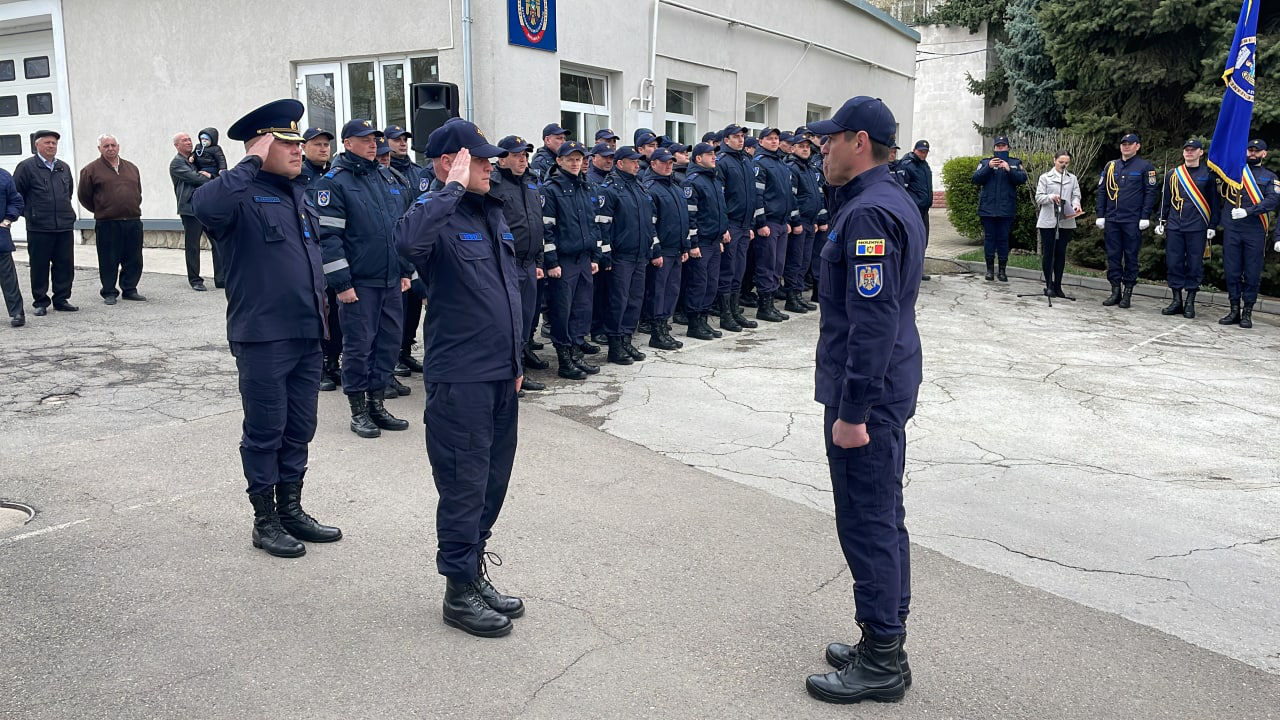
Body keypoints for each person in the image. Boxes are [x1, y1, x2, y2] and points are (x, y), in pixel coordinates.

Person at [806, 95, 924, 705]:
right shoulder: (887, 197)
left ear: (857, 142)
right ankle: (884, 643)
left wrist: (852, 413)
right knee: (883, 516)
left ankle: (882, 657)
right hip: (886, 385)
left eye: (830, 139)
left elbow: (870, 325)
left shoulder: (869, 214)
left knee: (868, 520)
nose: (822, 148)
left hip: (869, 398)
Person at [190, 98, 342, 558]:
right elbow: (205, 206)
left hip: (306, 332)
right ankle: (265, 519)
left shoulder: (298, 193)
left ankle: (292, 508)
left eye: (300, 143)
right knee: (266, 429)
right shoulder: (236, 193)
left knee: (300, 427)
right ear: (261, 145)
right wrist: (252, 157)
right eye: (287, 143)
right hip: (263, 335)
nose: (299, 151)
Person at [395, 120, 524, 639]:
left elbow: (509, 297)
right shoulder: (436, 213)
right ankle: (457, 592)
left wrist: (516, 364)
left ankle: (473, 572)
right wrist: (448, 189)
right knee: (464, 485)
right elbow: (405, 243)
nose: (492, 167)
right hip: (461, 379)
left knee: (493, 481)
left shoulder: (491, 213)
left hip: (499, 375)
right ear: (451, 162)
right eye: (482, 160)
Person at [310, 119, 413, 438]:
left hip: (390, 280)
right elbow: (328, 238)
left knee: (387, 344)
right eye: (364, 139)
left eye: (375, 138)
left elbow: (400, 228)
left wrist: (405, 270)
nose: (372, 143)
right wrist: (342, 284)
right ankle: (358, 411)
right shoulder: (335, 182)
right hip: (359, 284)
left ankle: (377, 404)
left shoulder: (385, 177)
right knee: (358, 347)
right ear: (347, 143)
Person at [488, 135, 548, 390]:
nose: (523, 159)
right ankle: (504, 375)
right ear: (502, 159)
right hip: (506, 263)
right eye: (517, 155)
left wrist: (540, 260)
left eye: (525, 154)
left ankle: (519, 371)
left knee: (525, 319)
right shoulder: (493, 184)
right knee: (506, 322)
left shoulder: (532, 182)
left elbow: (538, 223)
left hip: (529, 262)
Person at [542, 140, 604, 379]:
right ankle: (564, 359)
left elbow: (594, 225)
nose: (576, 163)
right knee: (562, 311)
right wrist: (552, 262)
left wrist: (595, 256)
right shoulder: (551, 189)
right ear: (559, 161)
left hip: (584, 258)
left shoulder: (586, 187)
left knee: (582, 309)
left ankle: (577, 353)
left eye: (579, 159)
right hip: (564, 262)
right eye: (570, 159)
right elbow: (546, 229)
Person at [598, 145, 660, 358]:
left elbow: (650, 222)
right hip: (621, 256)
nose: (637, 164)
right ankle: (615, 344)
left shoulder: (640, 187)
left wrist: (652, 247)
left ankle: (626, 339)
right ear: (620, 163)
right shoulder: (610, 189)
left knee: (635, 300)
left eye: (638, 161)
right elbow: (603, 225)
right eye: (632, 161)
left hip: (640, 254)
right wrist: (606, 255)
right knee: (619, 300)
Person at [13, 129, 77, 315]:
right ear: (37, 145)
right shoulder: (26, 167)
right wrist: (31, 214)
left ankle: (61, 298)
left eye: (54, 143)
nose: (51, 146)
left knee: (64, 264)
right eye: (47, 142)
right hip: (39, 227)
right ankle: (40, 302)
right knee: (40, 265)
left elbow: (69, 192)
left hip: (63, 225)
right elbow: (17, 195)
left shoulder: (63, 167)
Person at [78, 134, 145, 305]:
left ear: (118, 146)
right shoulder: (90, 170)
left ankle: (130, 289)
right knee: (109, 259)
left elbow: (138, 192)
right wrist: (103, 209)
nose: (110, 148)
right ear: (99, 148)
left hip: (132, 220)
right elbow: (84, 196)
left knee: (134, 258)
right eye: (106, 145)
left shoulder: (131, 168)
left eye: (113, 145)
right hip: (107, 222)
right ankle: (109, 291)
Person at [1218, 138, 1279, 329]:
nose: (1252, 153)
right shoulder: (1234, 173)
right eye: (1249, 150)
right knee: (1232, 271)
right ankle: (1234, 309)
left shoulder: (1270, 177)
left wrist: (1249, 211)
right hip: (1233, 230)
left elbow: (1272, 200)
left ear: (1264, 154)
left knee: (1252, 272)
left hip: (1254, 230)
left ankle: (1248, 312)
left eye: (1256, 151)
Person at [1156, 139, 1220, 319]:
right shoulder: (1173, 174)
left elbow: (1215, 202)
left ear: (1201, 152)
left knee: (1194, 265)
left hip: (1198, 227)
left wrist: (1213, 225)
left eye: (1193, 150)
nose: (1189, 152)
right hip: (1175, 226)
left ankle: (1190, 301)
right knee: (1174, 263)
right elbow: (1166, 200)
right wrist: (1161, 220)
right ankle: (1176, 300)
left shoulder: (1208, 174)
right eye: (1187, 150)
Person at [299, 127, 342, 391]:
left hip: (331, 253)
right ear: (304, 147)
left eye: (326, 144)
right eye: (317, 144)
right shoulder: (299, 176)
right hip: (309, 253)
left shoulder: (334, 177)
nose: (323, 148)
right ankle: (318, 365)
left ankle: (332, 362)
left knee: (336, 314)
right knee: (318, 313)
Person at [1095, 133, 1157, 308]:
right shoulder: (1111, 166)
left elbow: (1150, 193)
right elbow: (1102, 191)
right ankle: (1115, 291)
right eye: (1123, 144)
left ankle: (1128, 292)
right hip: (1113, 218)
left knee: (1130, 256)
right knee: (1113, 256)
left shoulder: (1145, 167)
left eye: (1130, 144)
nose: (1126, 147)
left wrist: (1145, 216)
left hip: (1132, 220)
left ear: (1137, 146)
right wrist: (1101, 214)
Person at [642, 147, 691, 351]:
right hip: (662, 251)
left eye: (671, 162)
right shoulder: (651, 189)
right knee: (658, 292)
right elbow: (650, 225)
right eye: (663, 162)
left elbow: (684, 220)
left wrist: (685, 246)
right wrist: (656, 251)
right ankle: (656, 332)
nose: (668, 165)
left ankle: (664, 327)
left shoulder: (676, 188)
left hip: (676, 249)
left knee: (671, 291)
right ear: (653, 164)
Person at [716, 124, 763, 332]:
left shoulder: (745, 161)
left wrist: (751, 224)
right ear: (726, 140)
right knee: (728, 270)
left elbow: (752, 195)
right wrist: (724, 227)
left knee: (739, 270)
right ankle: (726, 314)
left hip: (744, 225)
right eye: (736, 137)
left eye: (742, 136)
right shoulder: (723, 162)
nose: (741, 140)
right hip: (731, 224)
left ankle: (735, 311)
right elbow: (720, 199)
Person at [753, 127, 801, 322]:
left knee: (778, 265)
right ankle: (764, 306)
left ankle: (771, 303)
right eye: (770, 139)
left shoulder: (780, 163)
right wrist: (761, 222)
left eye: (776, 138)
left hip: (781, 222)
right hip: (769, 223)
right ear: (761, 141)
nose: (774, 141)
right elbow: (758, 196)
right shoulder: (760, 163)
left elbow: (789, 195)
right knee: (767, 263)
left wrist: (789, 220)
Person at [683, 142, 730, 340]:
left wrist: (720, 235)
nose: (714, 157)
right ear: (698, 158)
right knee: (698, 284)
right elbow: (690, 216)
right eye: (709, 154)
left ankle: (703, 319)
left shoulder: (714, 180)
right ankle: (694, 324)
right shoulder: (693, 181)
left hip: (713, 240)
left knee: (711, 283)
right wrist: (693, 244)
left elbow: (719, 211)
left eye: (714, 154)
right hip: (701, 242)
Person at [971, 136, 1027, 283]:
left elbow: (1022, 179)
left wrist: (1009, 170)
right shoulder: (984, 162)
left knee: (1003, 240)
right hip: (988, 209)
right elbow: (976, 179)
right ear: (994, 148)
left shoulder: (1015, 163)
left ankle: (1002, 270)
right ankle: (989, 270)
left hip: (1006, 209)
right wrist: (988, 167)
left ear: (1008, 148)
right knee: (989, 239)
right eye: (998, 146)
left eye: (1003, 146)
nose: (1001, 149)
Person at [785, 134, 828, 313]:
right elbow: (791, 198)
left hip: (811, 222)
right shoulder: (792, 168)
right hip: (800, 222)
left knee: (805, 260)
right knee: (795, 261)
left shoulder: (810, 168)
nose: (805, 149)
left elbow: (818, 196)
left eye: (807, 147)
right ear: (793, 148)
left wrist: (820, 219)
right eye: (801, 146)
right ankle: (791, 297)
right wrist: (795, 221)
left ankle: (798, 295)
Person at [1034, 151, 1083, 299]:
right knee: (1049, 252)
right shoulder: (1045, 177)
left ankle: (1058, 285)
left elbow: (1076, 195)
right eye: (1061, 161)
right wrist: (1051, 197)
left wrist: (1076, 204)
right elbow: (1039, 197)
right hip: (1049, 220)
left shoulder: (1072, 178)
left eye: (1066, 162)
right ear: (1054, 160)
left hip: (1066, 220)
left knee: (1061, 253)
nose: (1064, 165)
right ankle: (1049, 284)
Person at [170, 132, 214, 291]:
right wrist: (215, 178)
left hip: (206, 207)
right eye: (184, 140)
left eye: (189, 139)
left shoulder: (196, 159)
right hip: (190, 209)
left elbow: (211, 167)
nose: (189, 142)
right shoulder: (177, 163)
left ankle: (221, 278)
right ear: (177, 145)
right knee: (193, 245)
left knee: (218, 242)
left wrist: (212, 173)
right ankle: (195, 280)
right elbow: (197, 179)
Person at [900, 140, 933, 282]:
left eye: (925, 151)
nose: (923, 154)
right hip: (913, 210)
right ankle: (907, 271)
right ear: (914, 150)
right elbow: (902, 188)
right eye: (921, 151)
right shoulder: (907, 165)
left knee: (922, 240)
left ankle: (918, 270)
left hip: (924, 209)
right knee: (912, 240)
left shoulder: (924, 165)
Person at [0, 166, 24, 327]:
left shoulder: (3, 176)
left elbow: (16, 200)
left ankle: (17, 313)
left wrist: (7, 220)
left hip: (0, 237)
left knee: (8, 278)